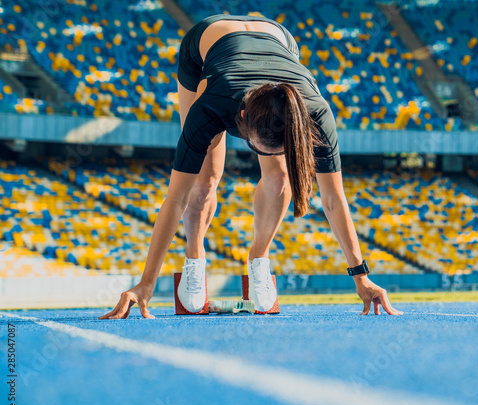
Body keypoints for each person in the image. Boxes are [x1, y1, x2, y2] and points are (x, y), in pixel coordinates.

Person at [100, 14, 400, 319]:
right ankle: (194, 256)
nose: (261, 154)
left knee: (281, 174)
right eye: (257, 147)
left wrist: (361, 277)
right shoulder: (210, 107)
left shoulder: (316, 115)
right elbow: (176, 197)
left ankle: (259, 257)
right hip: (206, 42)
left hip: (277, 39)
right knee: (204, 179)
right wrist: (146, 282)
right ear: (240, 117)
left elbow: (334, 200)